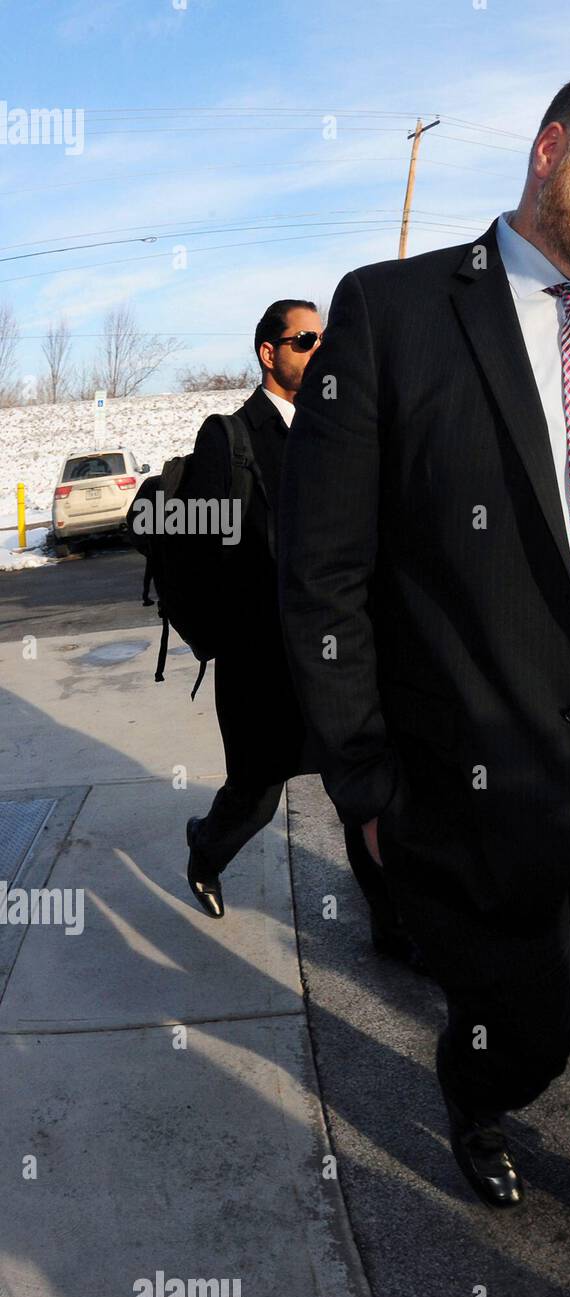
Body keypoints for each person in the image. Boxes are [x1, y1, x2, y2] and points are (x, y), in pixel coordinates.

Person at [277, 58, 570, 1278]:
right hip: (477, 783)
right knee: (518, 1027)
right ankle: (480, 1104)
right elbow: (322, 572)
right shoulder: (395, 312)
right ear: (549, 150)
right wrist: (367, 783)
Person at [183, 300, 399, 961]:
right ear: (269, 354)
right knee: (254, 799)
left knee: (362, 797)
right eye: (305, 340)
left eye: (325, 339)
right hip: (264, 666)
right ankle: (204, 852)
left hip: (338, 661)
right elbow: (207, 557)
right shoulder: (229, 437)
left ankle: (395, 931)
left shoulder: (342, 425)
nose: (320, 350)